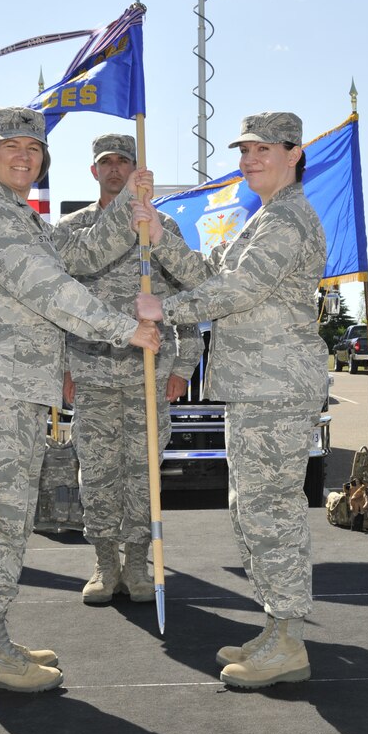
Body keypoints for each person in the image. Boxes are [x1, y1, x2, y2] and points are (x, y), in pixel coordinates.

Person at [0, 106, 161, 693]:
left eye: (34, 150)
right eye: (12, 147)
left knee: (7, 520)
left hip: (11, 390)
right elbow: (50, 287)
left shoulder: (22, 218)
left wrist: (127, 210)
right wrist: (124, 329)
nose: (25, 157)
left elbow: (78, 259)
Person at [134, 112, 328, 689]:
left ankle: (289, 638)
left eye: (263, 149)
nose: (249, 159)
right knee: (253, 510)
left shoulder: (288, 218)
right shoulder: (263, 218)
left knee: (272, 513)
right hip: (255, 388)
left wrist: (162, 309)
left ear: (294, 154)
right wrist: (162, 236)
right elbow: (211, 273)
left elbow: (239, 290)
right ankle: (276, 626)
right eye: (244, 150)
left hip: (276, 387)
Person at [58, 133, 202, 605]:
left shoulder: (162, 230)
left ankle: (138, 566)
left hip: (149, 376)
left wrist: (183, 364)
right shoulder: (72, 231)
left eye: (125, 161)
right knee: (97, 474)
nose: (115, 170)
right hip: (93, 374)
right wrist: (63, 369)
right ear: (93, 171)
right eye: (106, 162)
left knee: (144, 476)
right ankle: (104, 565)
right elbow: (55, 306)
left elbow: (189, 301)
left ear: (138, 169)